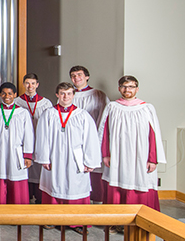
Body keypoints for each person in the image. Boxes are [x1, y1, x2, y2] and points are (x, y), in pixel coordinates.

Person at [34, 83, 101, 221]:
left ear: (73, 95)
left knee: (75, 187)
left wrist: (90, 161)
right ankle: (52, 219)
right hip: (54, 156)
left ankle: (76, 222)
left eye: (69, 93)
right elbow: (42, 137)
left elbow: (90, 139)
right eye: (63, 93)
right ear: (57, 95)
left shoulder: (82, 115)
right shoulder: (49, 114)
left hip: (76, 158)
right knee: (53, 185)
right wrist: (44, 158)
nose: (66, 96)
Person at [100, 75, 166, 212]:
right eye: (124, 86)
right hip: (118, 155)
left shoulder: (146, 108)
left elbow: (153, 135)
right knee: (116, 184)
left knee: (140, 183)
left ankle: (141, 220)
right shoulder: (112, 107)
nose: (127, 89)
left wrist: (152, 159)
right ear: (119, 89)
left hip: (140, 156)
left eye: (131, 86)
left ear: (137, 89)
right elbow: (104, 132)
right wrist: (105, 155)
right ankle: (115, 221)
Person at [0, 82, 34, 204]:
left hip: (17, 152)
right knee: (0, 178)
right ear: (0, 94)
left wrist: (28, 156)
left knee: (16, 179)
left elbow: (28, 135)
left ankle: (17, 210)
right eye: (3, 93)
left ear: (15, 94)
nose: (6, 96)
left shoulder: (23, 112)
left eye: (10, 93)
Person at [70, 65, 110, 203]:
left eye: (79, 75)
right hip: (72, 140)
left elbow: (105, 118)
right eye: (73, 76)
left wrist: (97, 140)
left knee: (93, 171)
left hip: (93, 138)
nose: (77, 78)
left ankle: (96, 202)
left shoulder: (98, 94)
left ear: (87, 76)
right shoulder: (68, 94)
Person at [15, 73, 54, 203]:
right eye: (27, 83)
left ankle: (39, 198)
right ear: (23, 84)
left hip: (40, 139)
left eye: (33, 83)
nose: (30, 86)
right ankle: (25, 197)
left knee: (39, 169)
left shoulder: (45, 103)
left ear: (37, 85)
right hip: (22, 141)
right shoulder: (17, 102)